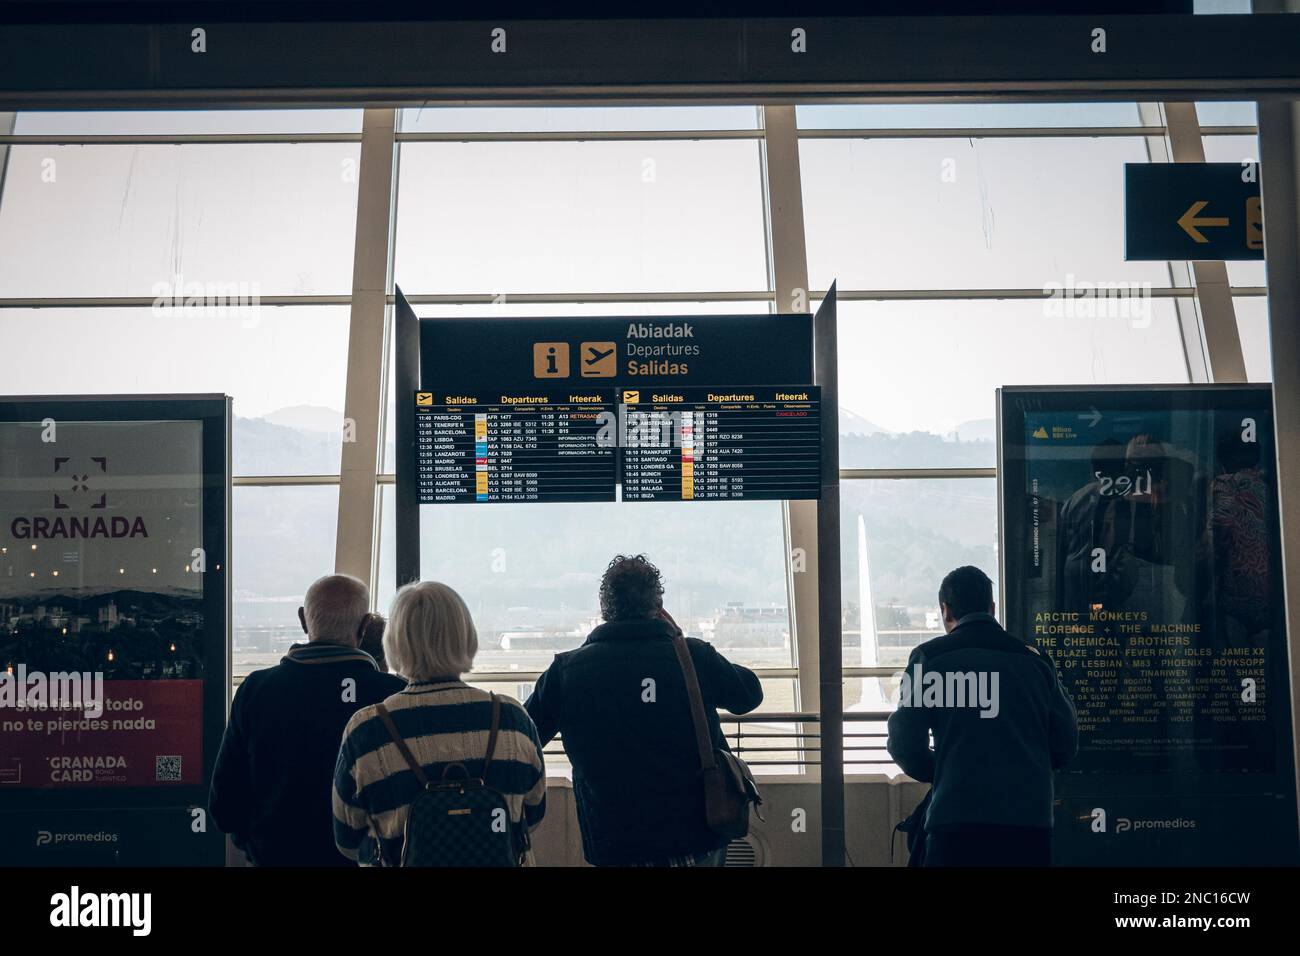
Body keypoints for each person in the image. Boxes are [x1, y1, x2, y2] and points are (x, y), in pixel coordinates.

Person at [526, 554, 763, 867]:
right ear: (658, 605)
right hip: (696, 835)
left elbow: (526, 737)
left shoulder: (566, 671)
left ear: (604, 608)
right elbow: (748, 695)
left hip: (615, 842)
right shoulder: (693, 657)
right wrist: (677, 636)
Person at [333, 581, 547, 865]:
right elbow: (533, 813)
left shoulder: (367, 729)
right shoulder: (512, 718)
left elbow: (347, 836)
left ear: (394, 642)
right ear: (465, 636)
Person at [210, 574, 405, 866]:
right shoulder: (393, 697)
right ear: (365, 626)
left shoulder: (255, 690)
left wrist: (256, 845)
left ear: (303, 620)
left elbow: (224, 807)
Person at [886, 566, 1077, 867]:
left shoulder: (929, 659)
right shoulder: (1036, 661)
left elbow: (905, 744)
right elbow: (1065, 743)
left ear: (946, 611)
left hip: (957, 819)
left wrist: (946, 771)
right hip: (1028, 821)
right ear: (992, 608)